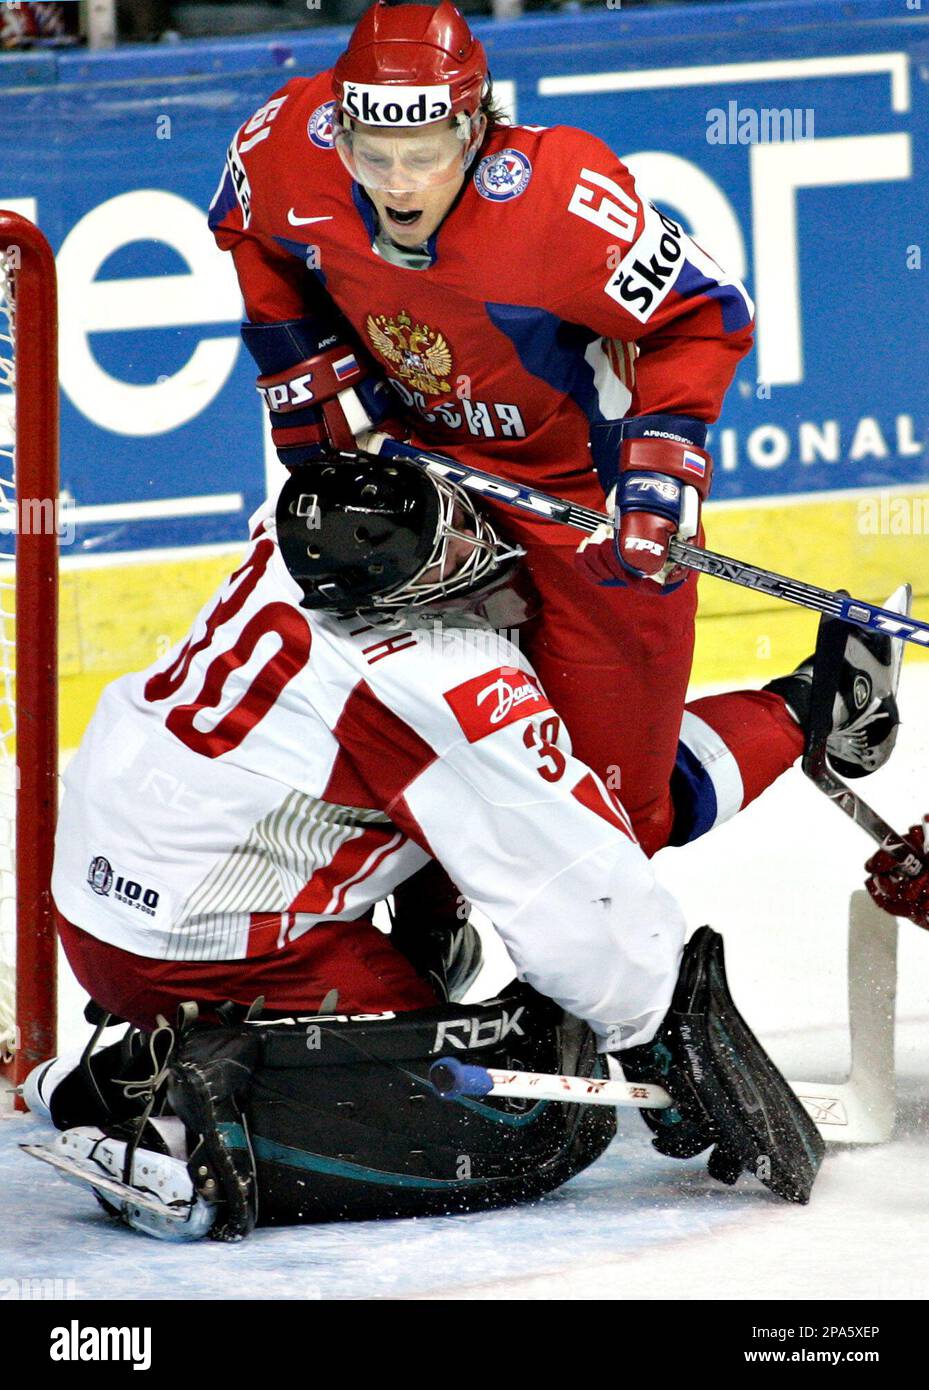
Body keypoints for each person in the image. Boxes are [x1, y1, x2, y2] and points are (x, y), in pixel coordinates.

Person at [33, 449, 912, 1238]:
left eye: (450, 532)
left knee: (548, 816)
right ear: (383, 599)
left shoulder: (292, 544)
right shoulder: (428, 675)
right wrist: (662, 1029)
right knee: (528, 1122)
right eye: (442, 559)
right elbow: (574, 878)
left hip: (105, 909)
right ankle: (188, 1122)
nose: (468, 554)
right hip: (219, 958)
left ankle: (811, 705)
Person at [207, 0, 771, 860]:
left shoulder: (562, 205)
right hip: (422, 480)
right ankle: (434, 931)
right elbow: (248, 230)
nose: (396, 184)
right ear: (341, 129)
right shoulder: (289, 141)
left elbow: (704, 313)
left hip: (577, 496)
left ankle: (815, 704)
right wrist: (303, 372)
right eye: (373, 154)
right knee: (396, 759)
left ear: (473, 132)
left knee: (612, 825)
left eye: (423, 157)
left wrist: (656, 474)